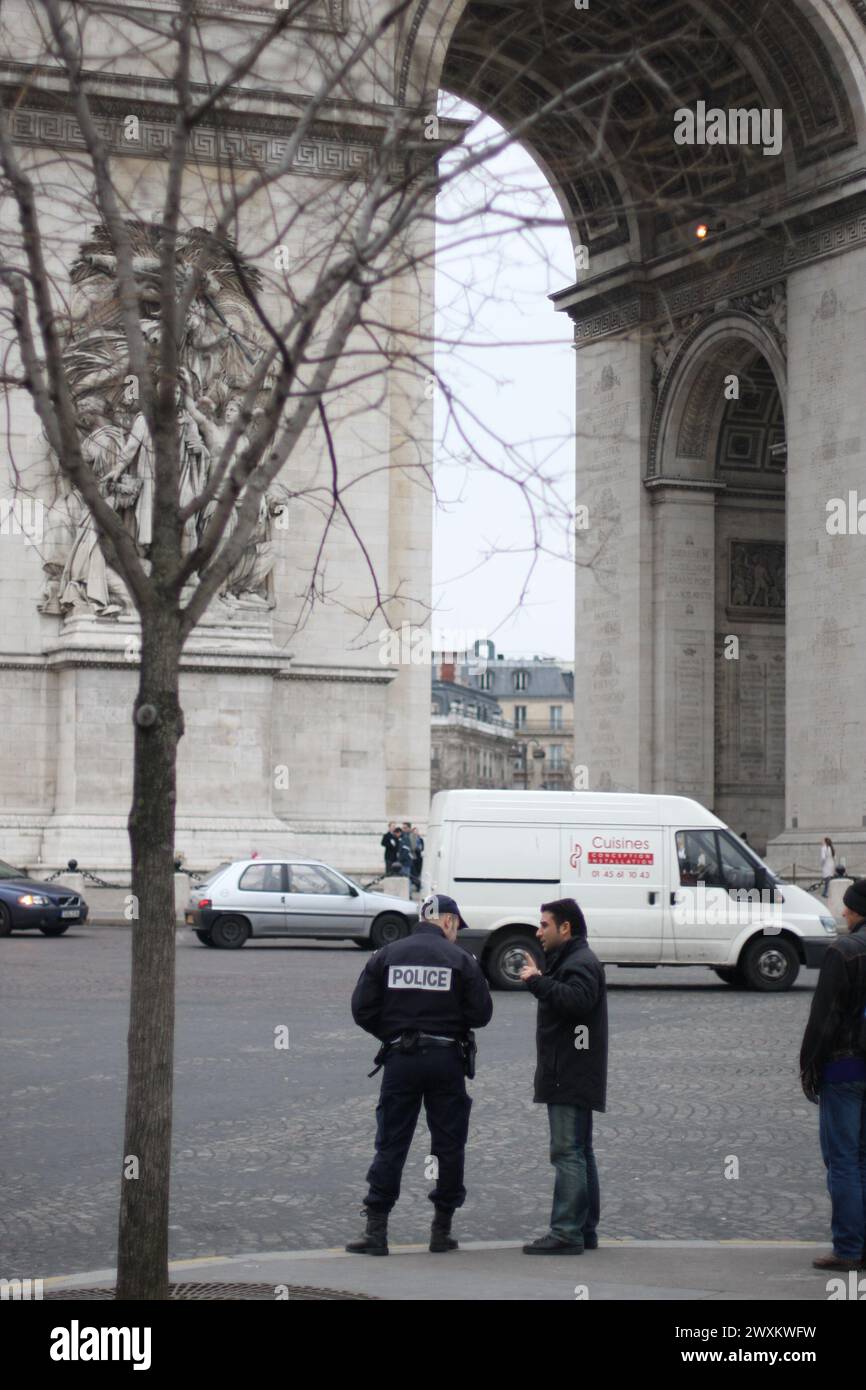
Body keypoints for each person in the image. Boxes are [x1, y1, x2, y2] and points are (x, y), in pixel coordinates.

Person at [346, 893, 493, 1256]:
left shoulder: (386, 955)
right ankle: (441, 1230)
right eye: (457, 925)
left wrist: (394, 1034)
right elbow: (481, 1014)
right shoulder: (462, 960)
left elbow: (362, 1009)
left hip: (400, 1061)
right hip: (446, 1061)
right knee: (448, 1145)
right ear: (445, 921)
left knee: (391, 1143)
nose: (457, 933)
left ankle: (376, 1230)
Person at [519, 897, 608, 1254]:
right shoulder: (573, 959)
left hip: (569, 1072)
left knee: (567, 1152)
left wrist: (538, 981)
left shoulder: (580, 963)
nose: (538, 931)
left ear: (565, 927)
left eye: (544, 925)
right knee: (580, 1151)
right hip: (573, 1070)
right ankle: (584, 1229)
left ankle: (567, 1231)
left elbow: (576, 1001)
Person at [799, 878, 866, 1271]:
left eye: (849, 906)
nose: (843, 912)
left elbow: (823, 1019)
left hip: (844, 1069)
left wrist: (809, 1066)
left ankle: (848, 1248)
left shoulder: (843, 951)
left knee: (843, 1160)